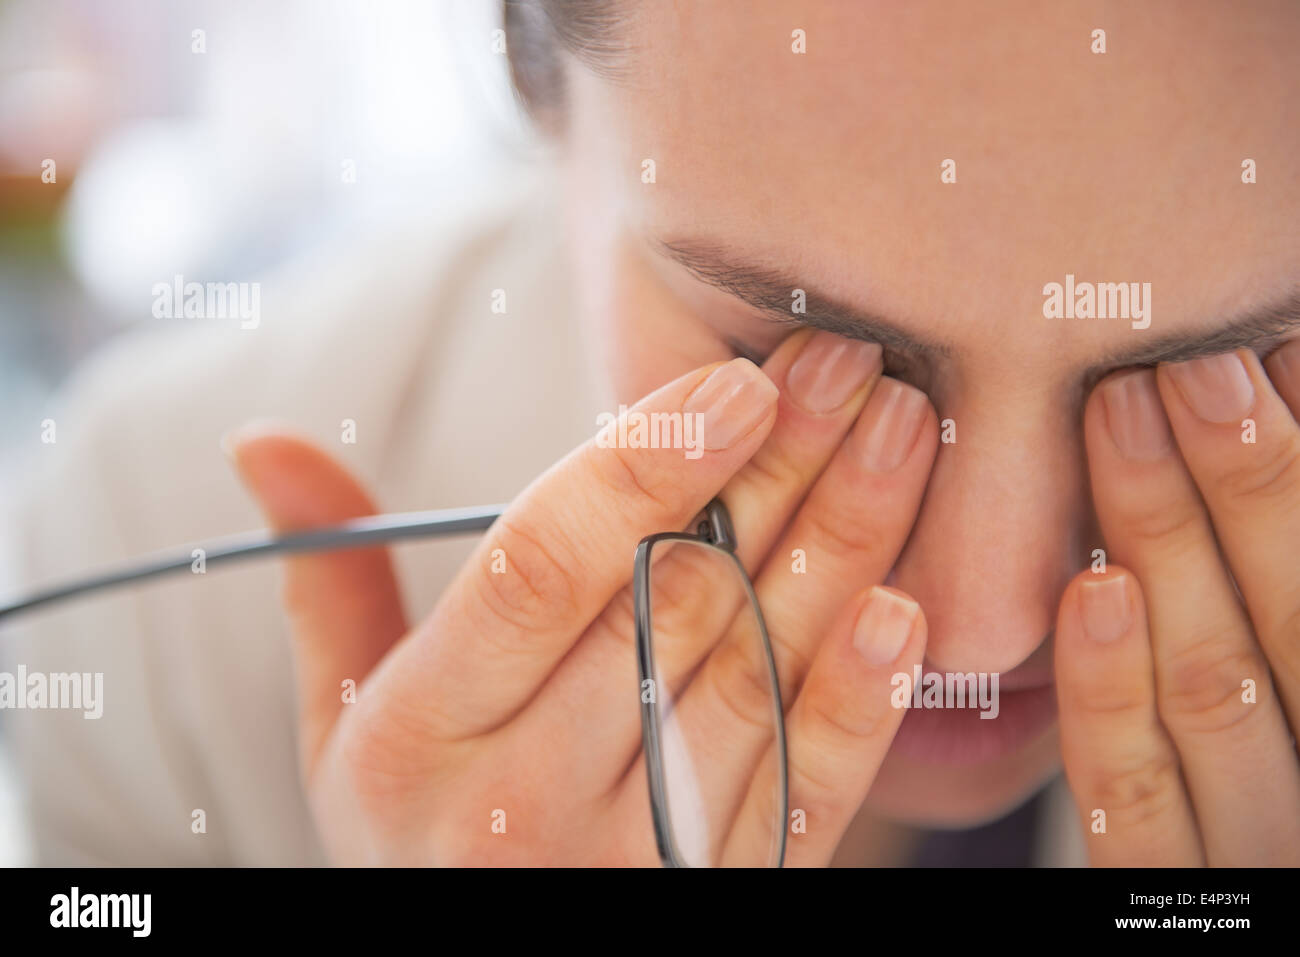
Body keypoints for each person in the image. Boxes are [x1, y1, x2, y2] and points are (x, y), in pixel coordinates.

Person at [3, 0, 1298, 866]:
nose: (977, 630)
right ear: (538, 95)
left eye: (1224, 374)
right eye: (796, 359)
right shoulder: (137, 597)